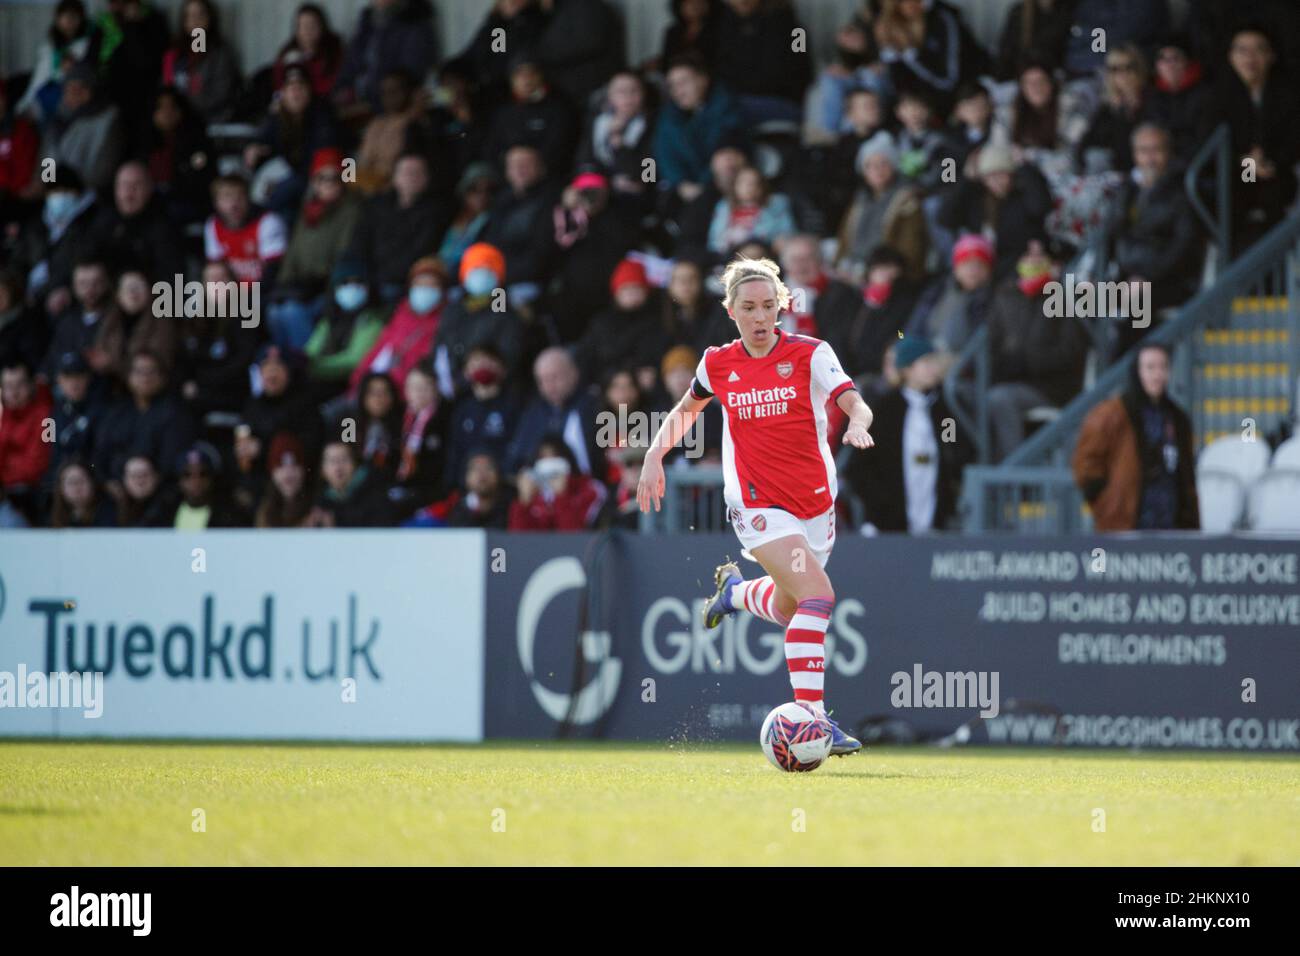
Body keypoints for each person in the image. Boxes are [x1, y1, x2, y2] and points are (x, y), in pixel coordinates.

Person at [636, 255, 875, 755]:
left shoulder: (811, 353)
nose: (761, 316)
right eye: (749, 307)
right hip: (757, 505)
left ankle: (736, 595)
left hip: (815, 502)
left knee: (792, 605)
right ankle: (814, 720)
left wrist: (858, 422)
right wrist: (655, 454)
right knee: (818, 597)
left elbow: (853, 398)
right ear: (731, 311)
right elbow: (686, 411)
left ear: (783, 306)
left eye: (770, 305)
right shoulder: (717, 363)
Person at [845, 336, 969, 534]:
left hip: (935, 522)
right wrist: (881, 505)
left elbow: (953, 450)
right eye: (925, 362)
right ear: (907, 368)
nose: (933, 368)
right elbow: (860, 466)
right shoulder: (885, 410)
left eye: (934, 362)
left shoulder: (943, 410)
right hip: (890, 526)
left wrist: (949, 496)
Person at [1072, 341, 1199, 531]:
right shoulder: (1111, 414)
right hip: (1127, 525)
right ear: (1136, 371)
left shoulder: (1178, 418)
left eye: (1163, 367)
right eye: (1150, 367)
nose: (1157, 374)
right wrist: (1107, 504)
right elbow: (1087, 466)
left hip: (1172, 525)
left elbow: (1186, 475)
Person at [48, 458, 116, 527]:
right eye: (70, 482)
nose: (77, 487)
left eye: (82, 481)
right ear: (60, 487)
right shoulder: (49, 516)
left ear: (92, 484)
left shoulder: (109, 514)